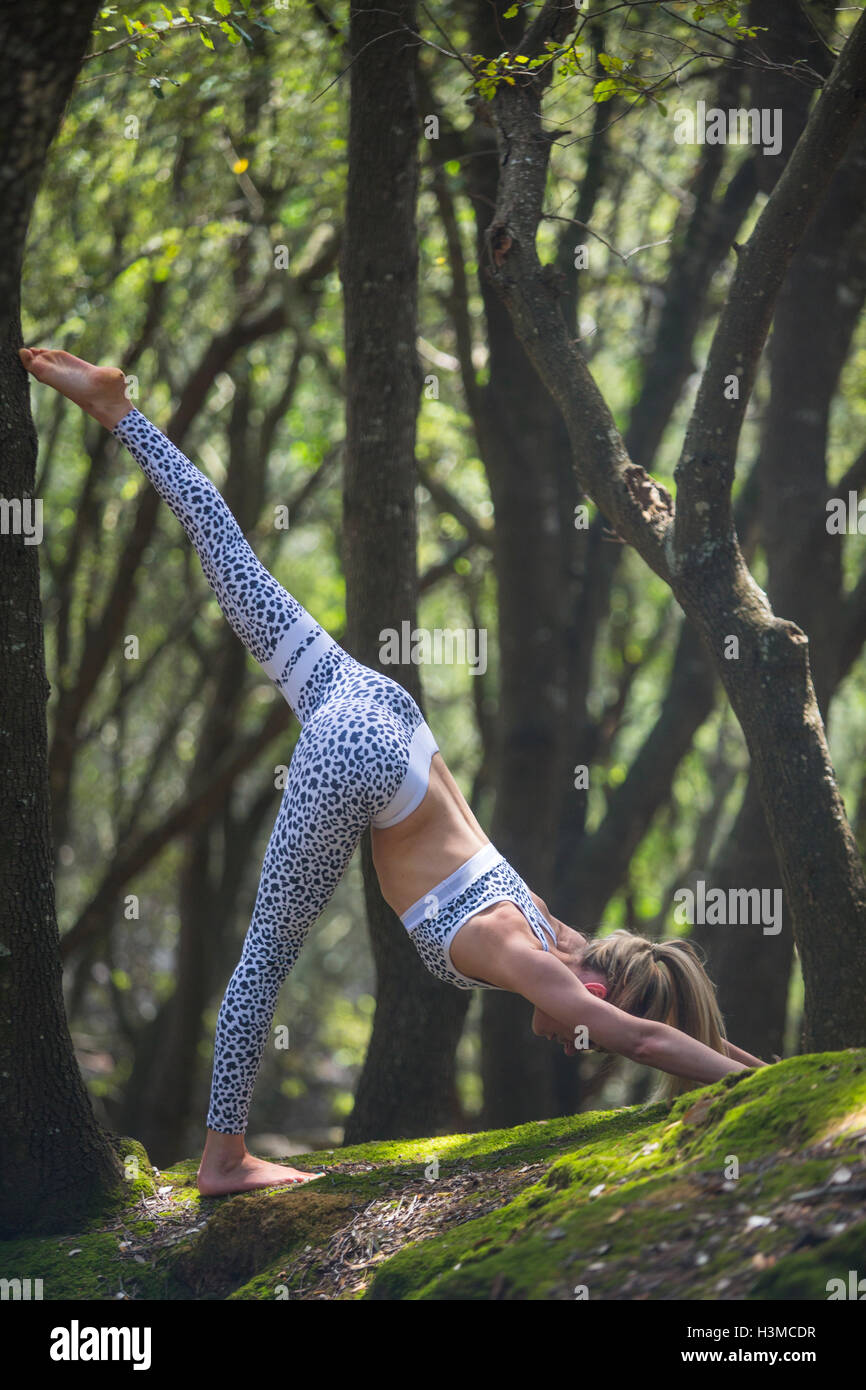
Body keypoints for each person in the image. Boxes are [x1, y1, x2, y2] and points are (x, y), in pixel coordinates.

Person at [19, 348, 767, 1198]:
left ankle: (122, 411)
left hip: (385, 710)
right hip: (366, 755)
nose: (571, 1041)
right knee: (264, 953)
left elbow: (662, 1024)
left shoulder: (564, 933)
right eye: (583, 1028)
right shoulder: (537, 956)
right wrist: (763, 1090)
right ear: (596, 988)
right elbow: (648, 1040)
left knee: (236, 567)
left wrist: (769, 1069)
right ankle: (224, 1158)